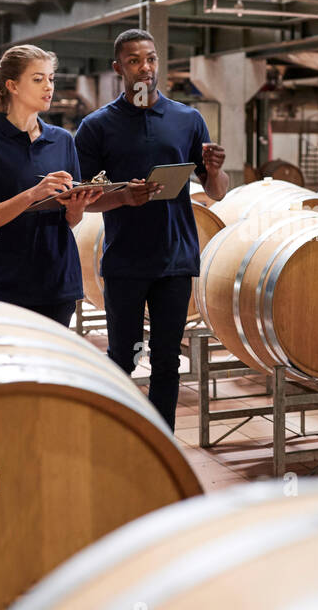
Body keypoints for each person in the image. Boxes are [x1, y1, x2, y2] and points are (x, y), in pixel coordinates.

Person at [76, 28, 228, 431]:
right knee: (122, 358)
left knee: (165, 359)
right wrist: (123, 197)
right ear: (117, 68)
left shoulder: (187, 119)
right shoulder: (96, 127)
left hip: (175, 259)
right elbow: (86, 198)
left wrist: (214, 171)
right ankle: (117, 436)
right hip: (125, 260)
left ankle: (163, 439)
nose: (145, 68)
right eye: (133, 61)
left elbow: (217, 192)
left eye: (150, 59)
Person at [0, 44, 103, 325]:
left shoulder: (62, 140)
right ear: (13, 86)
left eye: (51, 79)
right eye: (38, 79)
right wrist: (34, 194)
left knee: (52, 367)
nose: (49, 86)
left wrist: (76, 208)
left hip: (59, 282)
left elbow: (68, 222)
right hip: (5, 283)